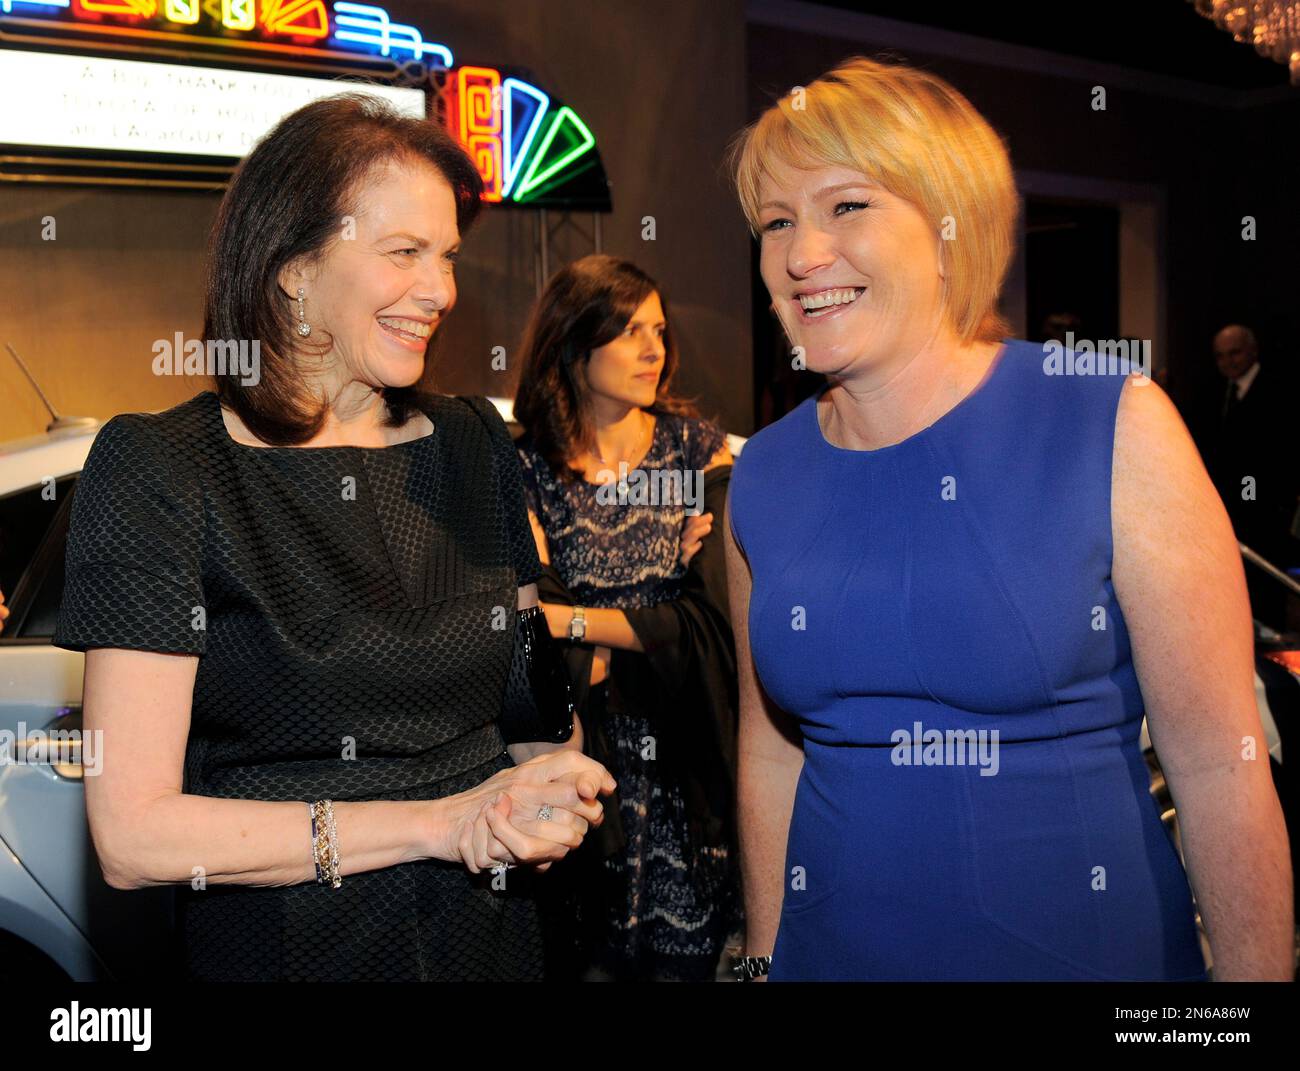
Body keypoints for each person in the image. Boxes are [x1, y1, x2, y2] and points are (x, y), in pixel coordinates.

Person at [724, 57, 1293, 981]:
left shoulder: (1107, 418)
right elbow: (769, 751)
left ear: (951, 229)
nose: (801, 254)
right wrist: (760, 957)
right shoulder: (764, 473)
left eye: (847, 207)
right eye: (777, 222)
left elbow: (1222, 768)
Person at [52, 94, 614, 982]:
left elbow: (529, 705)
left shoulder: (474, 442)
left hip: (491, 941)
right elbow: (133, 833)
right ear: (292, 269)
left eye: (447, 257)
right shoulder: (165, 469)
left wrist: (554, 783)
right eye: (404, 254)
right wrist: (437, 821)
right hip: (291, 949)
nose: (442, 291)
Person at [512, 254, 741, 980]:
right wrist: (648, 618)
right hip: (583, 762)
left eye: (660, 330)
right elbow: (526, 628)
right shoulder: (527, 467)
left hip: (687, 763)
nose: (655, 349)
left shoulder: (696, 451)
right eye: (631, 331)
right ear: (575, 347)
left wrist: (578, 621)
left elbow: (709, 626)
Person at [1207, 324, 1299, 626]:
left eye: (1234, 353)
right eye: (1220, 356)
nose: (1228, 362)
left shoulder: (1279, 389)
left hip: (1267, 509)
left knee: (1266, 591)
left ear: (1252, 351)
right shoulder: (1219, 390)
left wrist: (1270, 501)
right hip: (1232, 509)